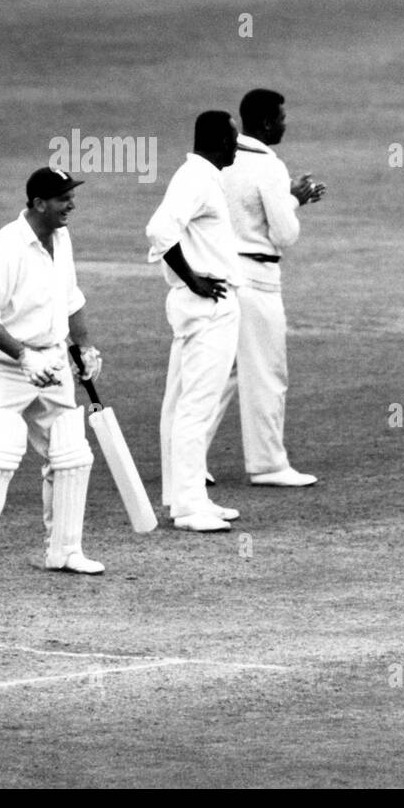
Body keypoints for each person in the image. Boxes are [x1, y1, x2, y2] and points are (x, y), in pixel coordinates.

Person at [0, 166, 105, 580]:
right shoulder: (6, 247)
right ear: (39, 203)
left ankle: (65, 551)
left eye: (71, 196)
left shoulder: (62, 237)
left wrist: (83, 346)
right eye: (63, 199)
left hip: (53, 360)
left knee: (71, 453)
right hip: (3, 366)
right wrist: (24, 357)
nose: (71, 205)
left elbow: (70, 298)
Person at [204, 89, 325, 488]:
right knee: (268, 374)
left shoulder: (219, 156)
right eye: (282, 118)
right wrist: (293, 200)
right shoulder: (269, 166)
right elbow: (285, 234)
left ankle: (187, 460)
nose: (286, 125)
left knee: (222, 372)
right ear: (268, 122)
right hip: (257, 279)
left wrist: (287, 196)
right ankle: (268, 464)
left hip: (218, 272)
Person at [147, 111, 243, 531]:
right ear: (221, 141)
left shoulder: (198, 177)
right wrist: (193, 278)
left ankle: (186, 497)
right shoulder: (196, 180)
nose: (238, 146)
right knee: (195, 407)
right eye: (234, 139)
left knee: (181, 403)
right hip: (208, 303)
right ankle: (188, 508)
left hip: (200, 303)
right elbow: (159, 229)